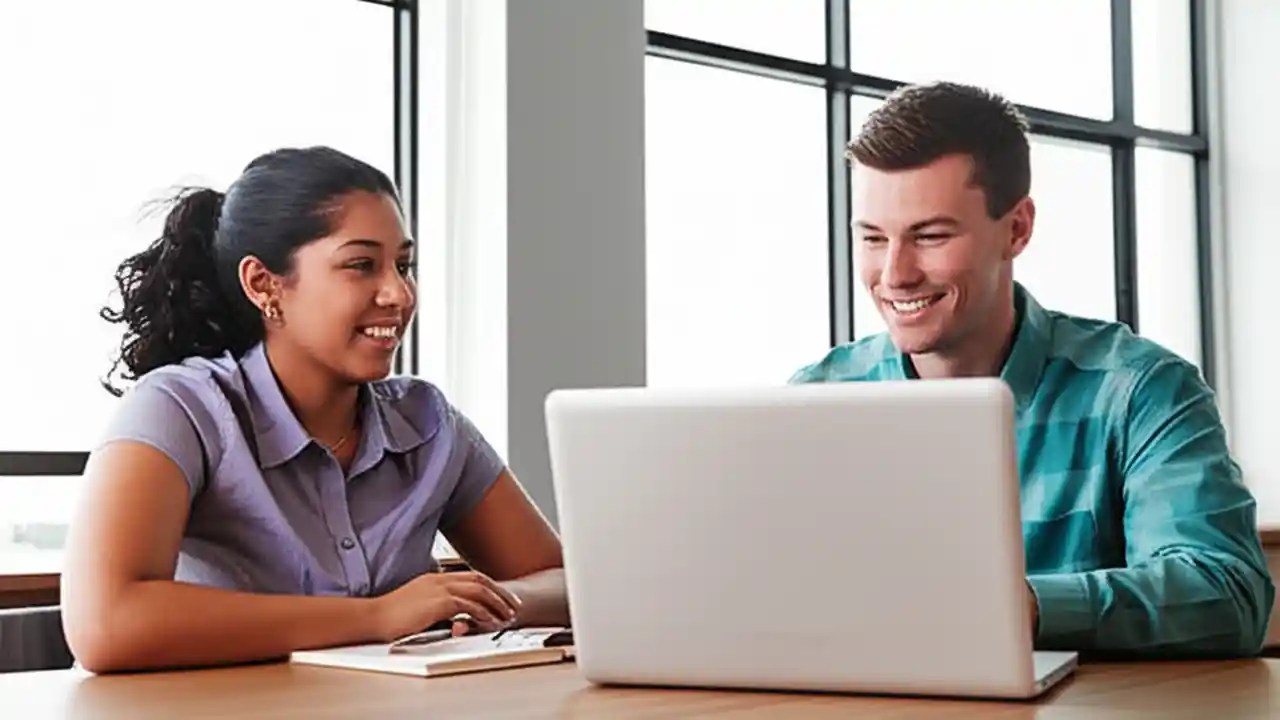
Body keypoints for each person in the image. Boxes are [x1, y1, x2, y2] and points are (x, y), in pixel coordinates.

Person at [790, 82, 1273, 657]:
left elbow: (1226, 594)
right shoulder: (818, 397)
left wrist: (1020, 608)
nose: (895, 275)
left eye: (931, 236)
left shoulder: (1142, 390)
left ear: (1016, 229)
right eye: (873, 238)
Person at [62, 147, 568, 673]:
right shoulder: (180, 408)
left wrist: (473, 607)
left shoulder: (429, 423)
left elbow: (562, 582)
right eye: (361, 265)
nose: (398, 293)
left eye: (404, 265)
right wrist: (377, 617)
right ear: (263, 284)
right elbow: (106, 624)